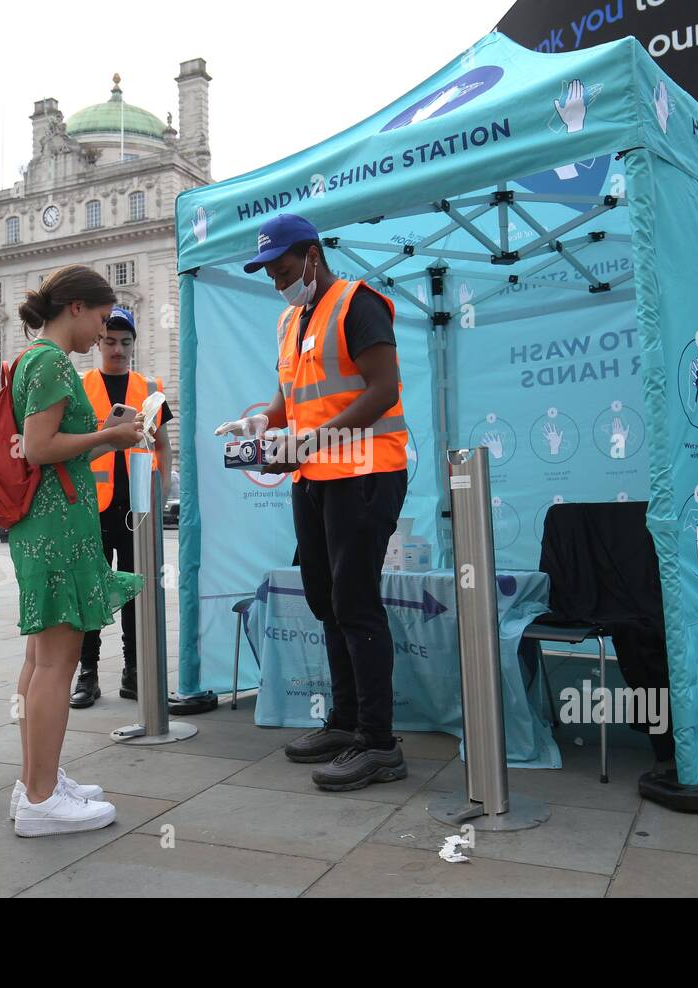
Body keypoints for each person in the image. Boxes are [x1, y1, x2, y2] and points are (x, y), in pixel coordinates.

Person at [217, 213, 410, 792]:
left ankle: (380, 743)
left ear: (311, 256)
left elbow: (384, 390)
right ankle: (346, 722)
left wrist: (312, 440)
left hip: (366, 472)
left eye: (282, 270)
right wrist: (259, 423)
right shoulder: (290, 320)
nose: (278, 282)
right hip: (315, 475)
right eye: (270, 274)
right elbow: (292, 398)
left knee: (354, 601)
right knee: (326, 600)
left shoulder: (358, 304)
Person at [9, 264, 145, 837]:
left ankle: (36, 779)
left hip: (52, 519)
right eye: (100, 318)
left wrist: (98, 437)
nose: (102, 333)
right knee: (57, 664)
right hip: (56, 526)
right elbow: (40, 448)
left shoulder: (34, 359)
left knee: (42, 660)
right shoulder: (49, 360)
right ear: (76, 308)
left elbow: (48, 452)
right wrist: (109, 436)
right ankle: (41, 798)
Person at [70, 306, 173, 708]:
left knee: (134, 594)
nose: (118, 349)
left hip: (136, 510)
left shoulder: (150, 388)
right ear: (98, 343)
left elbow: (163, 447)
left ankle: (134, 672)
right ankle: (88, 674)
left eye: (125, 342)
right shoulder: (80, 386)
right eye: (110, 341)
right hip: (91, 509)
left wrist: (159, 495)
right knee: (91, 593)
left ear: (134, 343)